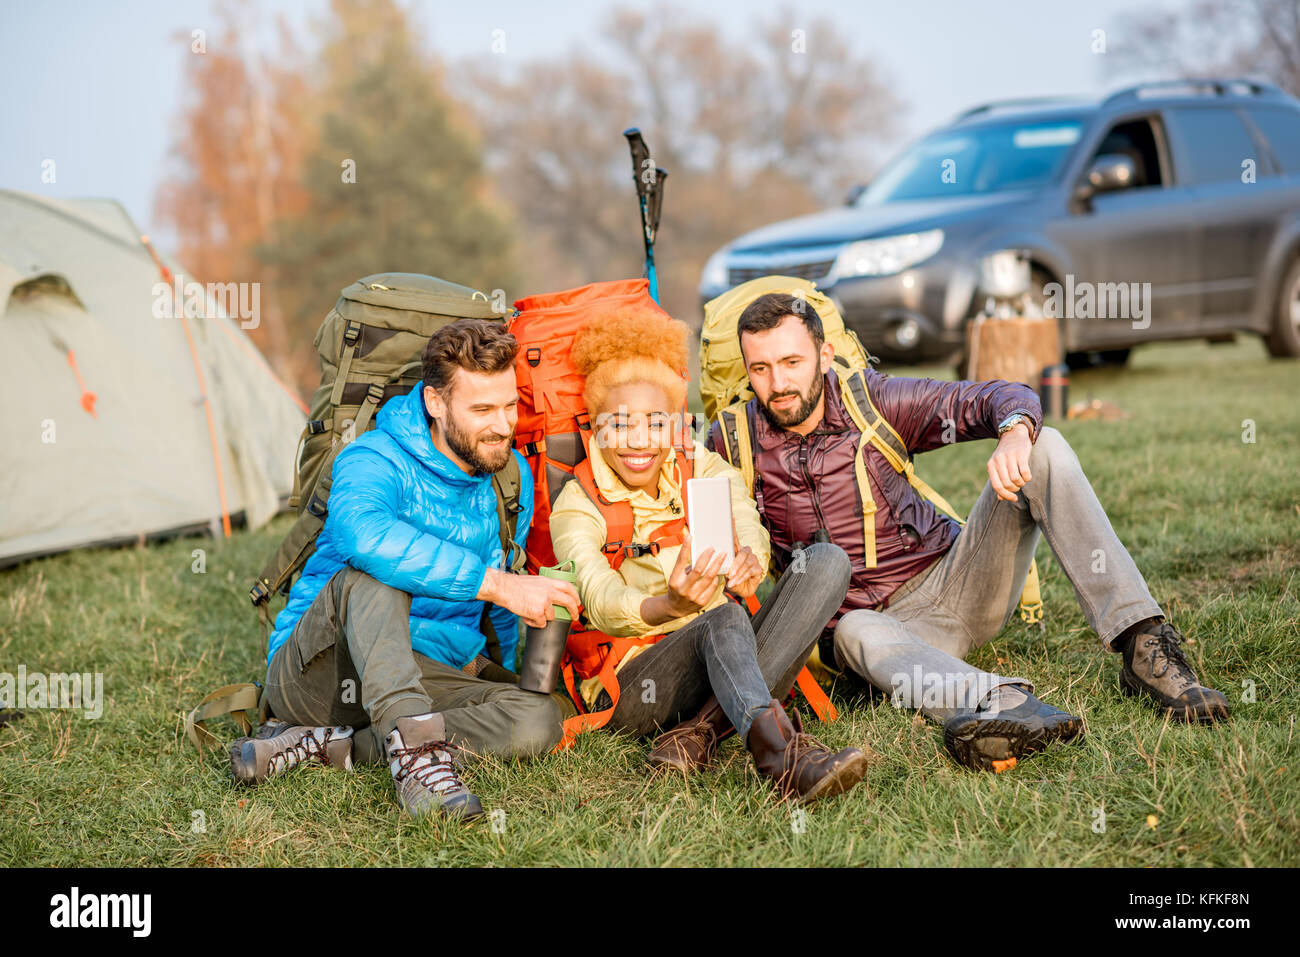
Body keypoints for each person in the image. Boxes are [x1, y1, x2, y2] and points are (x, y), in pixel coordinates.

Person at [709, 292, 1229, 772]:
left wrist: (1013, 434)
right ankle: (1003, 705)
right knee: (854, 629)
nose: (778, 383)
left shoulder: (873, 401)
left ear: (823, 356)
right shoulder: (730, 442)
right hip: (870, 632)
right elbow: (665, 484)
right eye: (761, 367)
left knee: (1045, 448)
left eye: (792, 362)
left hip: (958, 582)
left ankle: (1143, 642)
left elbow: (1002, 395)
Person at [232, 319, 581, 820]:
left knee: (541, 717)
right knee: (376, 573)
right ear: (436, 403)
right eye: (482, 409)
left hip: (427, 671)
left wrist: (504, 650)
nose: (504, 425)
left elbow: (503, 586)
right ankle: (419, 768)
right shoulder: (372, 459)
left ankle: (335, 748)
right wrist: (497, 585)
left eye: (509, 405)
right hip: (323, 675)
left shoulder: (510, 475)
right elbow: (363, 536)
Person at [548, 307, 870, 803]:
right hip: (637, 684)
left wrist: (749, 557)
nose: (639, 440)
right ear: (596, 425)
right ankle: (782, 759)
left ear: (675, 423)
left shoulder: (697, 462)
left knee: (825, 561)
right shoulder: (578, 502)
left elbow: (744, 519)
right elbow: (596, 595)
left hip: (728, 653)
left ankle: (700, 732)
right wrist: (666, 608)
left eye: (656, 423)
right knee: (721, 619)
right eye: (620, 424)